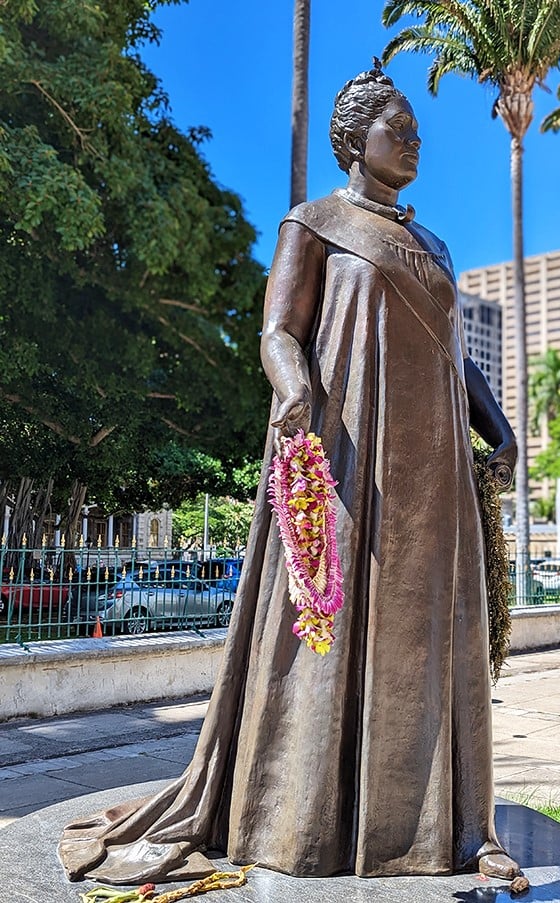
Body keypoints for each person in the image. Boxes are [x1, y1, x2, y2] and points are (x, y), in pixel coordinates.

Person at [59, 62, 520, 885]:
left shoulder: (435, 246)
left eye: (416, 130)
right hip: (348, 456)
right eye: (399, 125)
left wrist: (500, 430)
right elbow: (279, 330)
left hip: (436, 478)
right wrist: (295, 384)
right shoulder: (313, 224)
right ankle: (308, 817)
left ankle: (459, 829)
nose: (415, 139)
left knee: (434, 647)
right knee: (329, 634)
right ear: (355, 137)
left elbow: (460, 360)